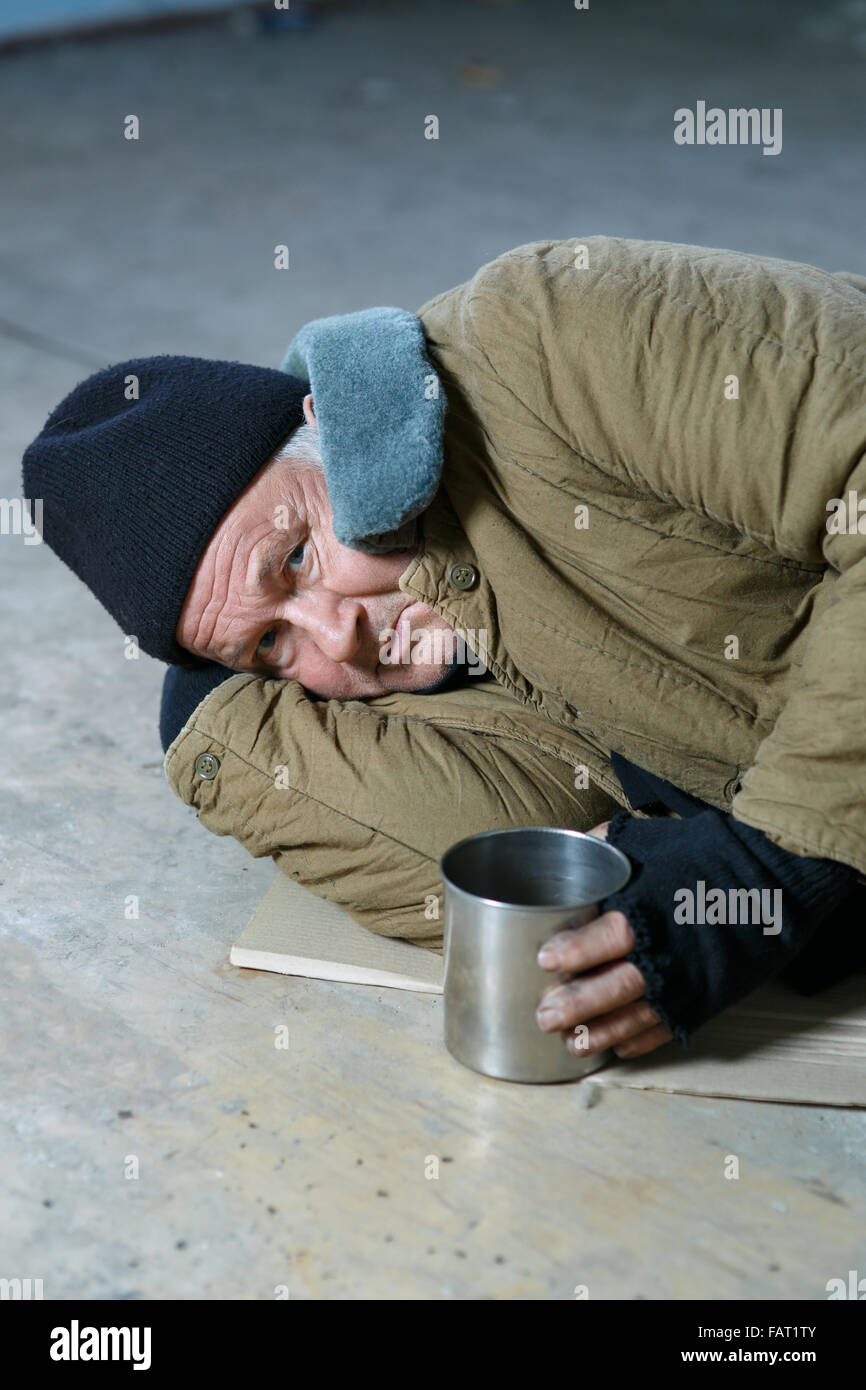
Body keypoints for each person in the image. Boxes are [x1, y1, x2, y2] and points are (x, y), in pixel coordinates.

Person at [22, 235, 866, 1064]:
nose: (336, 637)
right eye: (269, 643)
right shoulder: (417, 681)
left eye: (297, 556)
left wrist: (779, 860)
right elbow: (535, 902)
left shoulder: (551, 332)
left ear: (341, 438)